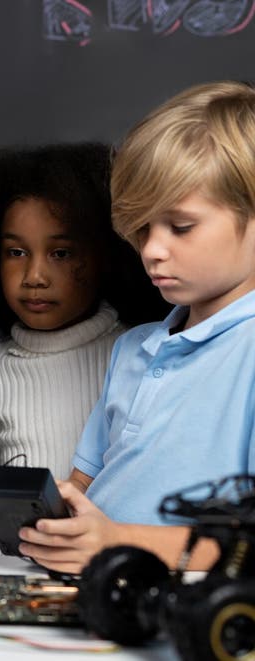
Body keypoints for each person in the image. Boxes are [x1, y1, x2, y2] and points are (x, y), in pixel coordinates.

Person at [19, 81, 255, 574]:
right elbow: (86, 484)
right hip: (103, 591)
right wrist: (59, 518)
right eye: (143, 227)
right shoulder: (133, 349)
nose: (151, 249)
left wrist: (116, 542)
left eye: (181, 226)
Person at [0, 143, 168, 479]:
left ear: (106, 256)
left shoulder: (143, 355)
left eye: (61, 253)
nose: (34, 277)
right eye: (16, 252)